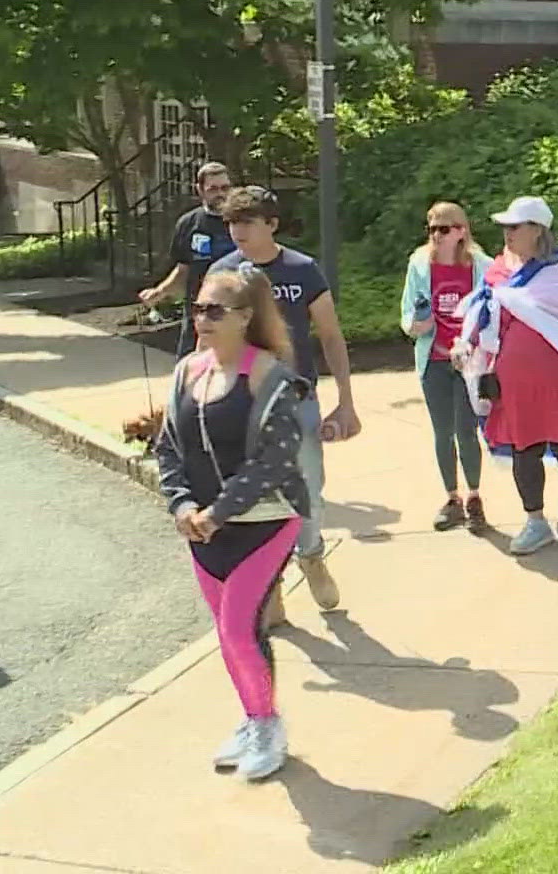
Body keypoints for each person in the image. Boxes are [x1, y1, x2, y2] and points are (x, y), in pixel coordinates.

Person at [153, 267, 312, 781]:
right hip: (201, 528)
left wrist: (217, 512)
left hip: (265, 522)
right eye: (198, 308)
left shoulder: (271, 378)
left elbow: (275, 463)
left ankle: (269, 728)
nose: (202, 318)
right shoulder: (186, 372)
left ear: (245, 317)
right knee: (228, 636)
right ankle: (251, 718)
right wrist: (182, 507)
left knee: (240, 631)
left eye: (215, 310)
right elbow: (169, 448)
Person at [209, 187, 353, 614]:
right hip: (240, 399)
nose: (238, 232)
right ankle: (268, 584)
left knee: (307, 484)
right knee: (251, 495)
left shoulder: (302, 270)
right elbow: (205, 337)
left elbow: (330, 335)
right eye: (232, 223)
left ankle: (310, 554)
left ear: (271, 224)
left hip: (294, 397)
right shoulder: (222, 273)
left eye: (247, 223)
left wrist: (346, 401)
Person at [456, 198, 558, 555]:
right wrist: (465, 343)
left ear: (537, 230)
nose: (507, 234)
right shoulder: (498, 269)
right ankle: (535, 522)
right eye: (505, 227)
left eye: (515, 227)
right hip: (514, 382)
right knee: (523, 450)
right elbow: (482, 312)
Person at [400, 202, 494, 532]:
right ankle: (452, 498)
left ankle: (474, 497)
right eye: (431, 229)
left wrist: (473, 344)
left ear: (461, 230)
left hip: (469, 362)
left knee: (467, 430)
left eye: (444, 229)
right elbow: (406, 316)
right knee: (443, 431)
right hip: (434, 360)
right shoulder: (419, 265)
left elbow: (493, 314)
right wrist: (416, 325)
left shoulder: (482, 266)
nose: (436, 236)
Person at [139, 162, 234, 357]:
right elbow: (183, 270)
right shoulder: (188, 223)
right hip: (198, 312)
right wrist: (159, 292)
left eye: (225, 188)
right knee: (189, 372)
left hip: (236, 312)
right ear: (200, 190)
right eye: (213, 189)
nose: (220, 194)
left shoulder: (241, 221)